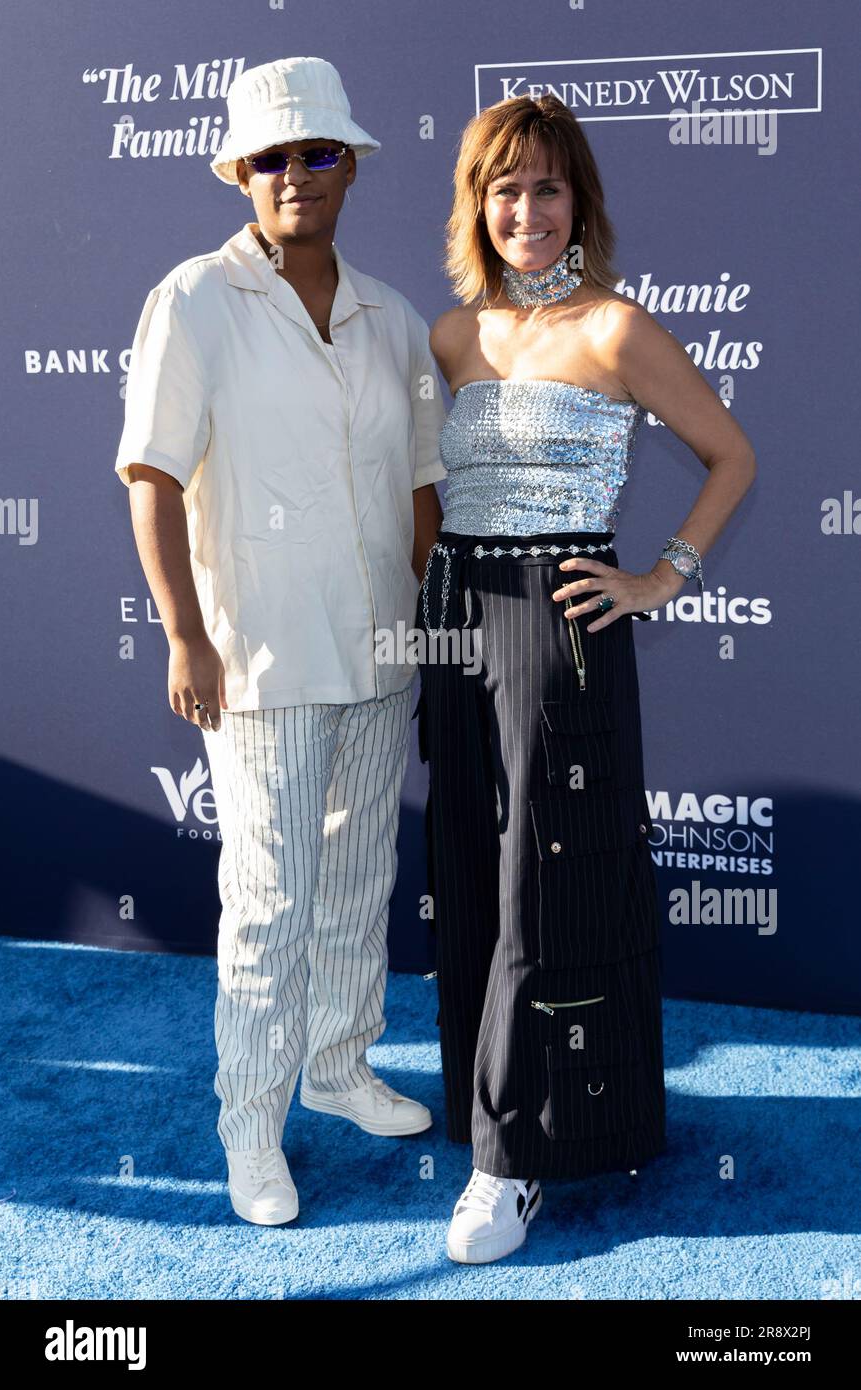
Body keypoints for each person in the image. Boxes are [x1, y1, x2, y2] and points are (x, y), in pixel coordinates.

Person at [416, 93, 756, 1264]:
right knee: (466, 870)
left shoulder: (614, 329)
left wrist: (659, 576)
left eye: (546, 187)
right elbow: (424, 491)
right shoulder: (452, 337)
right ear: (477, 204)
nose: (525, 209)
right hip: (456, 621)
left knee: (542, 891)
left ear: (579, 203)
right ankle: (485, 1113)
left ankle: (515, 1165)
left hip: (558, 629)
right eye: (502, 188)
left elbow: (730, 453)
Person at [113, 56, 447, 1226]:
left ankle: (340, 1065)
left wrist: (435, 620)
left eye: (316, 153)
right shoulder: (195, 299)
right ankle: (250, 1123)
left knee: (360, 880)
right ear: (239, 174)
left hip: (380, 650)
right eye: (270, 157)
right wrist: (183, 634)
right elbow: (149, 474)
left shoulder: (394, 317)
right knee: (267, 899)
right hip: (255, 657)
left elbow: (420, 487)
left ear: (350, 163)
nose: (294, 174)